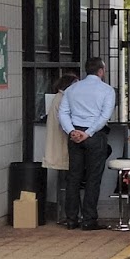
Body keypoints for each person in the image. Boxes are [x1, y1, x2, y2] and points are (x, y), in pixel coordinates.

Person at [57, 57, 116, 230]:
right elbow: (104, 116)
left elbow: (63, 113)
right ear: (101, 71)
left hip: (74, 135)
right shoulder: (107, 90)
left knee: (73, 177)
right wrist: (88, 133)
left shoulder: (71, 89)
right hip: (95, 135)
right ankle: (89, 219)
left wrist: (72, 131)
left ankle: (71, 219)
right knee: (93, 178)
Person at [43, 72, 79, 224]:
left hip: (57, 144)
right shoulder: (65, 99)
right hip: (65, 144)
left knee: (66, 180)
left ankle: (65, 214)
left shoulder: (57, 98)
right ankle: (69, 214)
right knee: (72, 180)